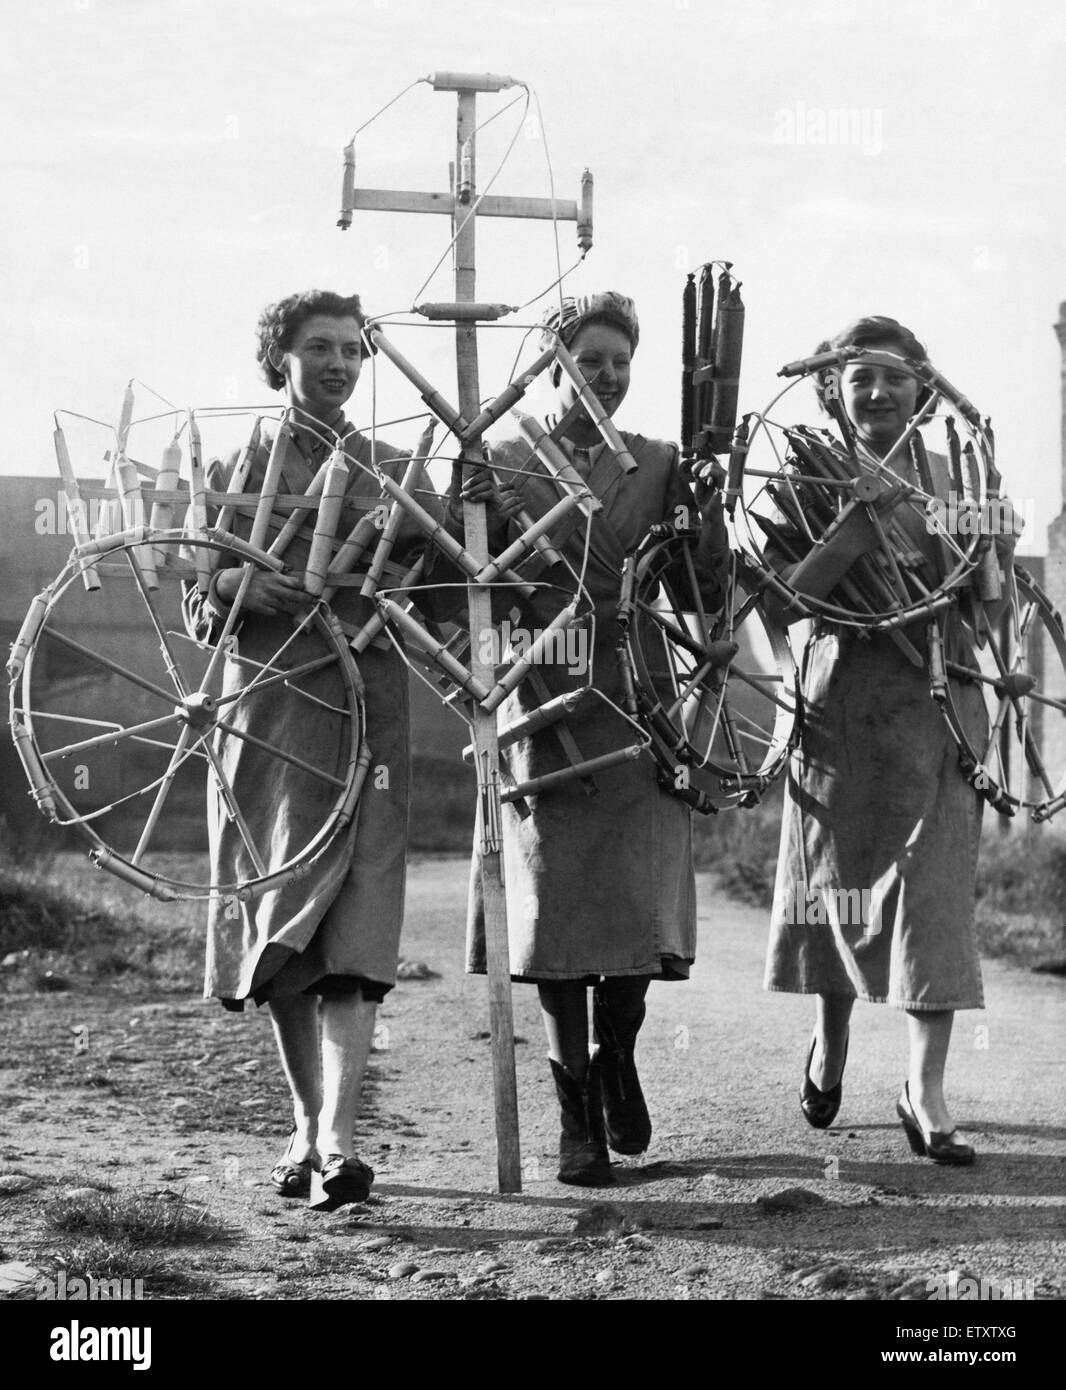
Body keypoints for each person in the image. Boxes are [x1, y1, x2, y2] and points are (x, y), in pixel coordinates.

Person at [458, 292, 730, 1185]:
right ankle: (575, 1113)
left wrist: (708, 513)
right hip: (542, 699)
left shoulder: (657, 462)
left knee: (638, 905)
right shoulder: (502, 457)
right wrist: (468, 515)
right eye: (591, 358)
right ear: (553, 359)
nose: (607, 376)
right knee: (555, 917)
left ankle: (619, 1051)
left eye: (621, 360)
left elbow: (701, 593)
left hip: (642, 697)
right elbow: (464, 587)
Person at [183, 289, 445, 1208]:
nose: (339, 364)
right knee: (283, 931)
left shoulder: (389, 468)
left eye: (352, 351)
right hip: (268, 714)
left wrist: (460, 518)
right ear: (280, 358)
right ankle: (303, 1127)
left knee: (357, 923)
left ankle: (339, 1141)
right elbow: (191, 597)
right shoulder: (237, 463)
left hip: (366, 707)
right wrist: (235, 586)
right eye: (319, 348)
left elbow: (443, 579)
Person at [762, 315, 1018, 1165]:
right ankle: (831, 1040)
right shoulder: (811, 478)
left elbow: (987, 614)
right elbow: (786, 600)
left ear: (924, 388)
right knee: (840, 890)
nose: (876, 393)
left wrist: (992, 556)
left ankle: (925, 1090)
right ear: (834, 391)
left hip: (939, 711)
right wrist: (852, 534)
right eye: (859, 379)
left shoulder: (957, 483)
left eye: (893, 378)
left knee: (934, 898)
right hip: (841, 716)